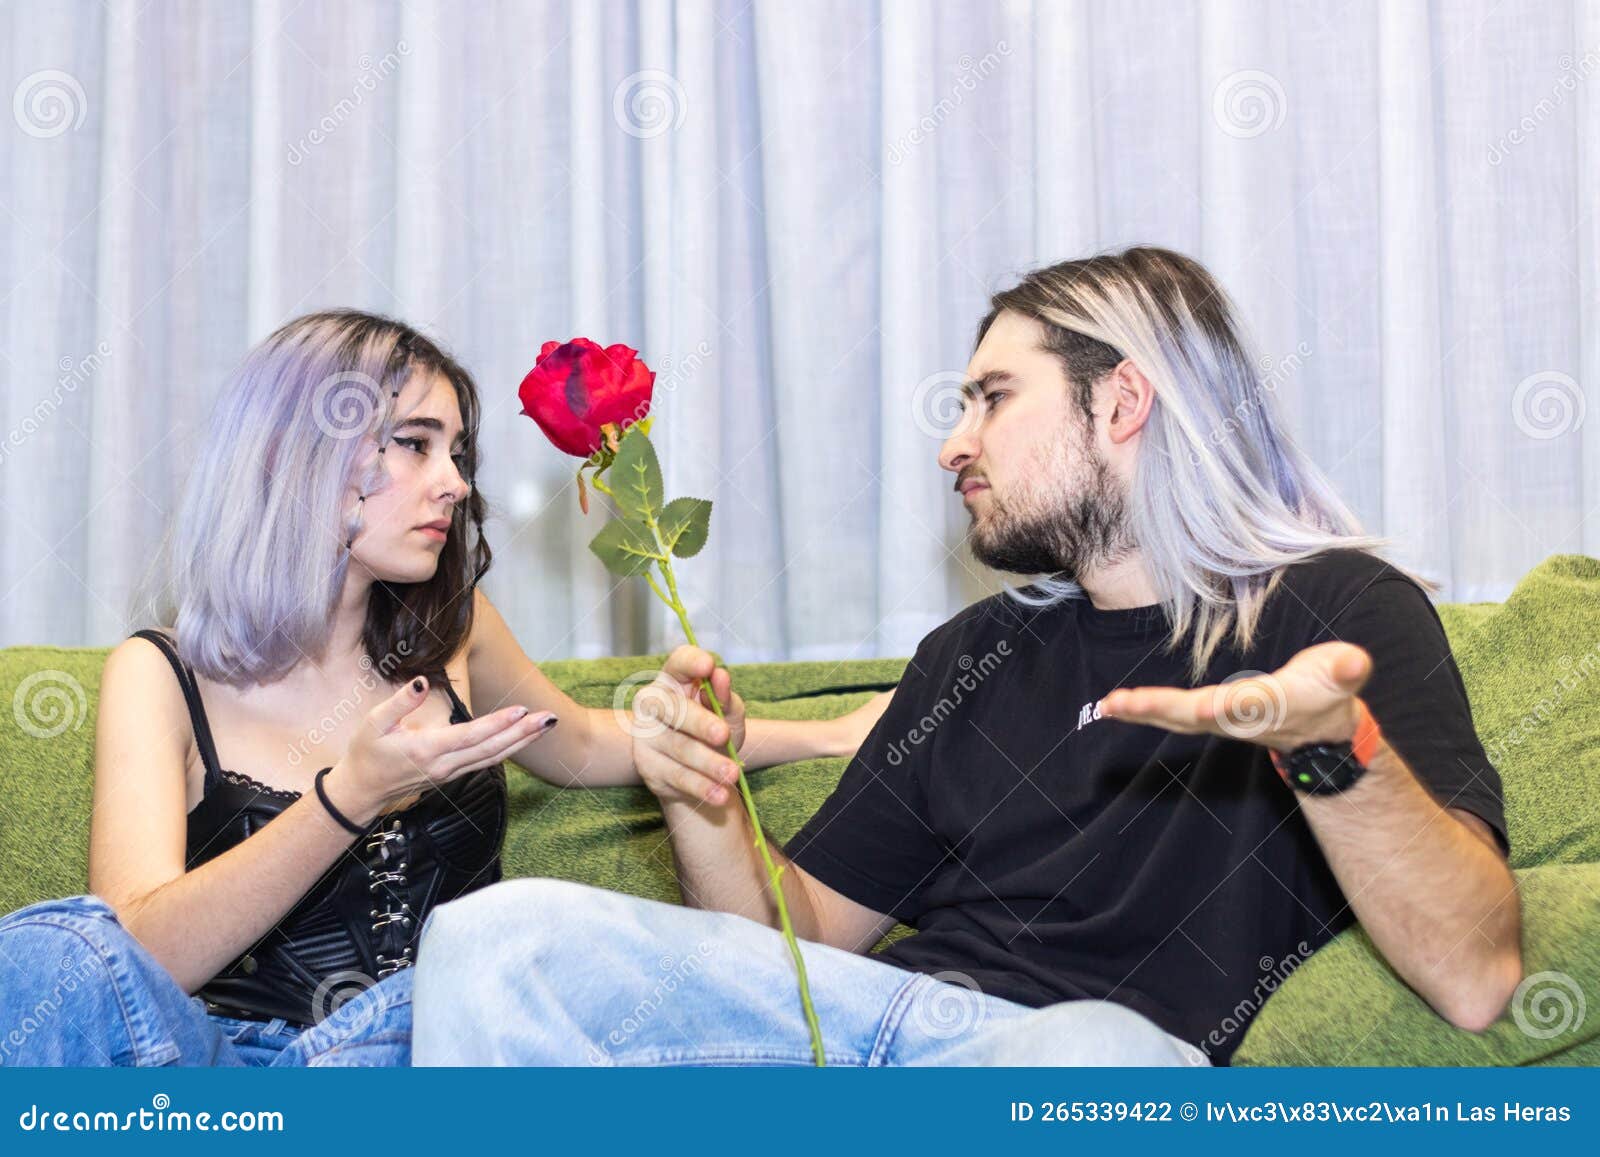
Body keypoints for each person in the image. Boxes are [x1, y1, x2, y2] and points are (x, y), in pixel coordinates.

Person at [410, 247, 1522, 1068]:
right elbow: (794, 949)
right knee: (497, 936)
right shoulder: (974, 654)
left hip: (1066, 1065)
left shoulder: (1335, 610)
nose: (953, 444)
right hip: (868, 1040)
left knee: (1094, 1056)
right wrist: (698, 793)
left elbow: (1475, 977)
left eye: (992, 399)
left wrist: (1329, 748)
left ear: (1121, 401)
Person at [0, 310, 887, 1067]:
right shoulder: (158, 673)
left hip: (422, 1046)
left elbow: (585, 742)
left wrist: (833, 733)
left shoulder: (452, 628)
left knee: (474, 976)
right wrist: (348, 798)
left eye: (456, 452)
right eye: (416, 444)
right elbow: (132, 962)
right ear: (300, 454)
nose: (456, 484)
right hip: (224, 1067)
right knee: (51, 952)